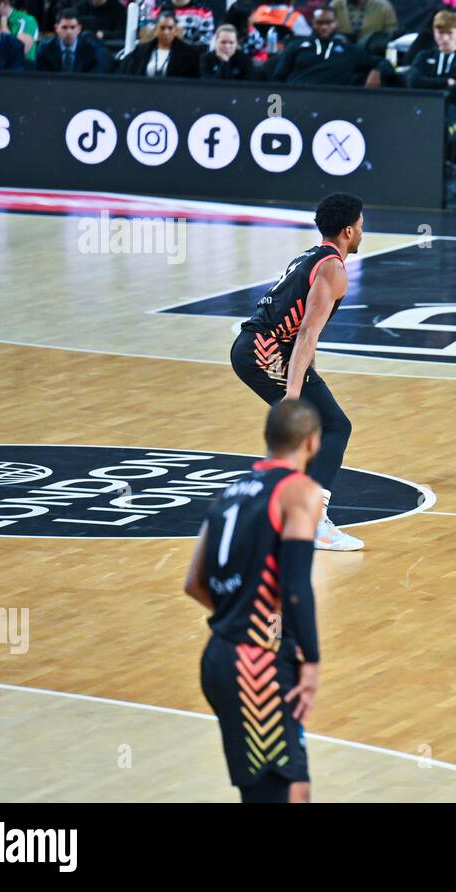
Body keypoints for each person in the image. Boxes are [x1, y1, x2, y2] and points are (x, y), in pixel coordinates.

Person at [185, 399, 325, 803]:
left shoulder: (227, 494)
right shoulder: (300, 492)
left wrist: (241, 613)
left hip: (226, 656)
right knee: (271, 797)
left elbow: (194, 583)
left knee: (296, 790)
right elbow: (296, 586)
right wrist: (312, 662)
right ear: (312, 443)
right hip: (254, 667)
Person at [230, 194, 367, 552]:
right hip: (264, 351)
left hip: (259, 348)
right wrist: (293, 395)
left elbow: (302, 334)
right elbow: (306, 332)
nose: (363, 231)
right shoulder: (333, 268)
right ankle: (312, 521)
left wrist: (307, 381)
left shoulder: (309, 256)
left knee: (317, 426)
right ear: (349, 230)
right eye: (362, 225)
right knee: (335, 425)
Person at [408, 9, 456, 141]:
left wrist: (428, 85)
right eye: (440, 33)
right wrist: (445, 83)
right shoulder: (424, 56)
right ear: (434, 32)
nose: (445, 39)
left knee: (441, 127)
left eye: (450, 33)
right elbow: (412, 82)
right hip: (424, 107)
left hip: (455, 111)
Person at [271, 7, 384, 86]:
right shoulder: (296, 46)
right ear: (312, 23)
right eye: (319, 23)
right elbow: (278, 78)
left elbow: (384, 63)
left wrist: (377, 72)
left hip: (333, 104)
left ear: (336, 23)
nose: (324, 27)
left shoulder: (349, 50)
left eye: (328, 22)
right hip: (295, 99)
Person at [119, 11, 201, 76]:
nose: (166, 32)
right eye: (162, 28)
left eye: (170, 28)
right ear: (156, 29)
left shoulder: (189, 54)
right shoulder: (140, 51)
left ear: (175, 30)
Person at [329, 0, 399, 48]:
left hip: (373, 52)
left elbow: (392, 32)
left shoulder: (383, 6)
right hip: (343, 51)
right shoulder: (336, 4)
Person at [34, 8, 104, 72]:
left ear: (79, 29)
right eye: (64, 27)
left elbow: (93, 80)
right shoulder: (45, 49)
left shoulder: (91, 49)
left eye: (73, 27)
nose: (69, 32)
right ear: (56, 28)